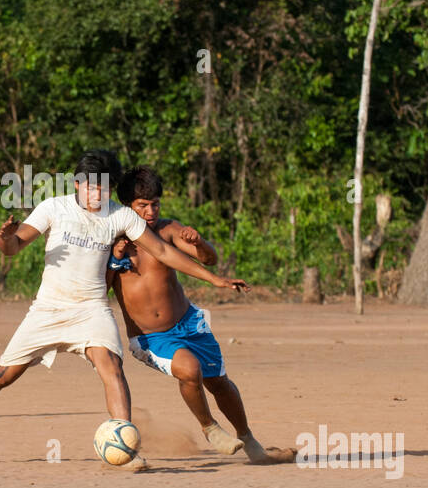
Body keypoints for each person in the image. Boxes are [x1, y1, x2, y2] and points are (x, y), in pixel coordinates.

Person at [0, 150, 247, 471]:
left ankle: (124, 445)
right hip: (49, 308)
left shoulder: (121, 216)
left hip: (92, 308)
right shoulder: (53, 208)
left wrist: (215, 279)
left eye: (103, 188)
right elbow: (14, 247)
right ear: (76, 184)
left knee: (112, 367)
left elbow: (162, 251)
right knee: (4, 376)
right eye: (90, 187)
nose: (96, 194)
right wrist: (5, 239)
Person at [106, 166, 295, 464]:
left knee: (219, 382)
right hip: (150, 337)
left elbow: (209, 259)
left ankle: (249, 440)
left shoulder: (168, 230)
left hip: (190, 322)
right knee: (189, 369)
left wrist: (199, 243)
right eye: (142, 205)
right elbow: (101, 288)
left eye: (155, 203)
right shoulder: (113, 241)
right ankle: (210, 427)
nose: (150, 211)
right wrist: (115, 259)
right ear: (127, 206)